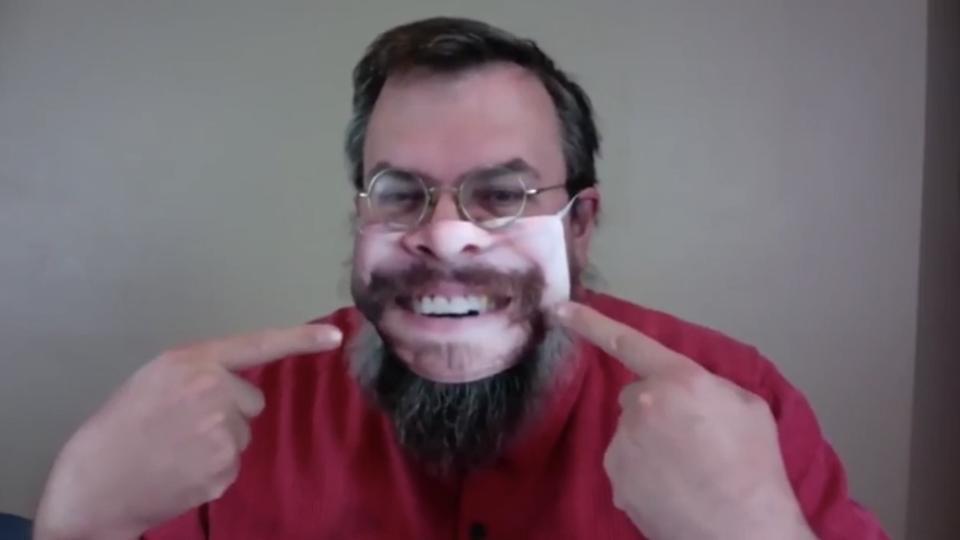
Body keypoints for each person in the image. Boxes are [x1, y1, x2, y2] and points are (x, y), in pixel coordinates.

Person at [33, 17, 889, 540]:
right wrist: (78, 524)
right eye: (400, 194)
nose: (445, 238)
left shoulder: (739, 399)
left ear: (580, 225)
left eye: (502, 195)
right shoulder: (241, 418)